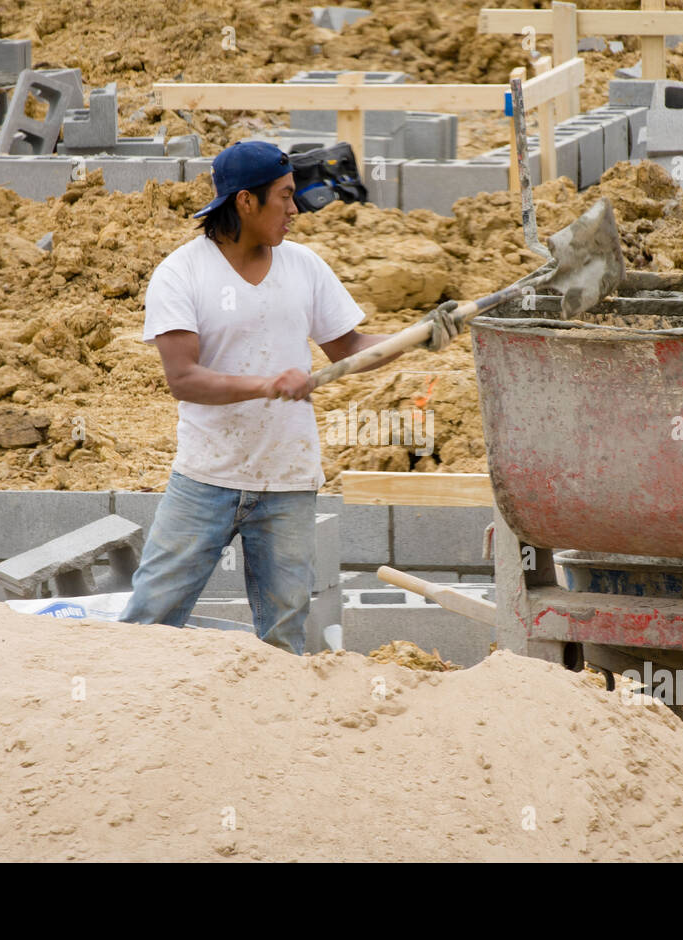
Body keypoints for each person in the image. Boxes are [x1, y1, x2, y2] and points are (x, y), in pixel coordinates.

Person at [117, 140, 458, 654]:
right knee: (150, 619)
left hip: (288, 482)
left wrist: (418, 335)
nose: (295, 210)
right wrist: (268, 383)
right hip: (206, 478)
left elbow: (350, 347)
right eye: (284, 197)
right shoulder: (182, 273)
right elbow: (183, 378)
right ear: (245, 202)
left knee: (284, 639)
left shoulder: (303, 267)